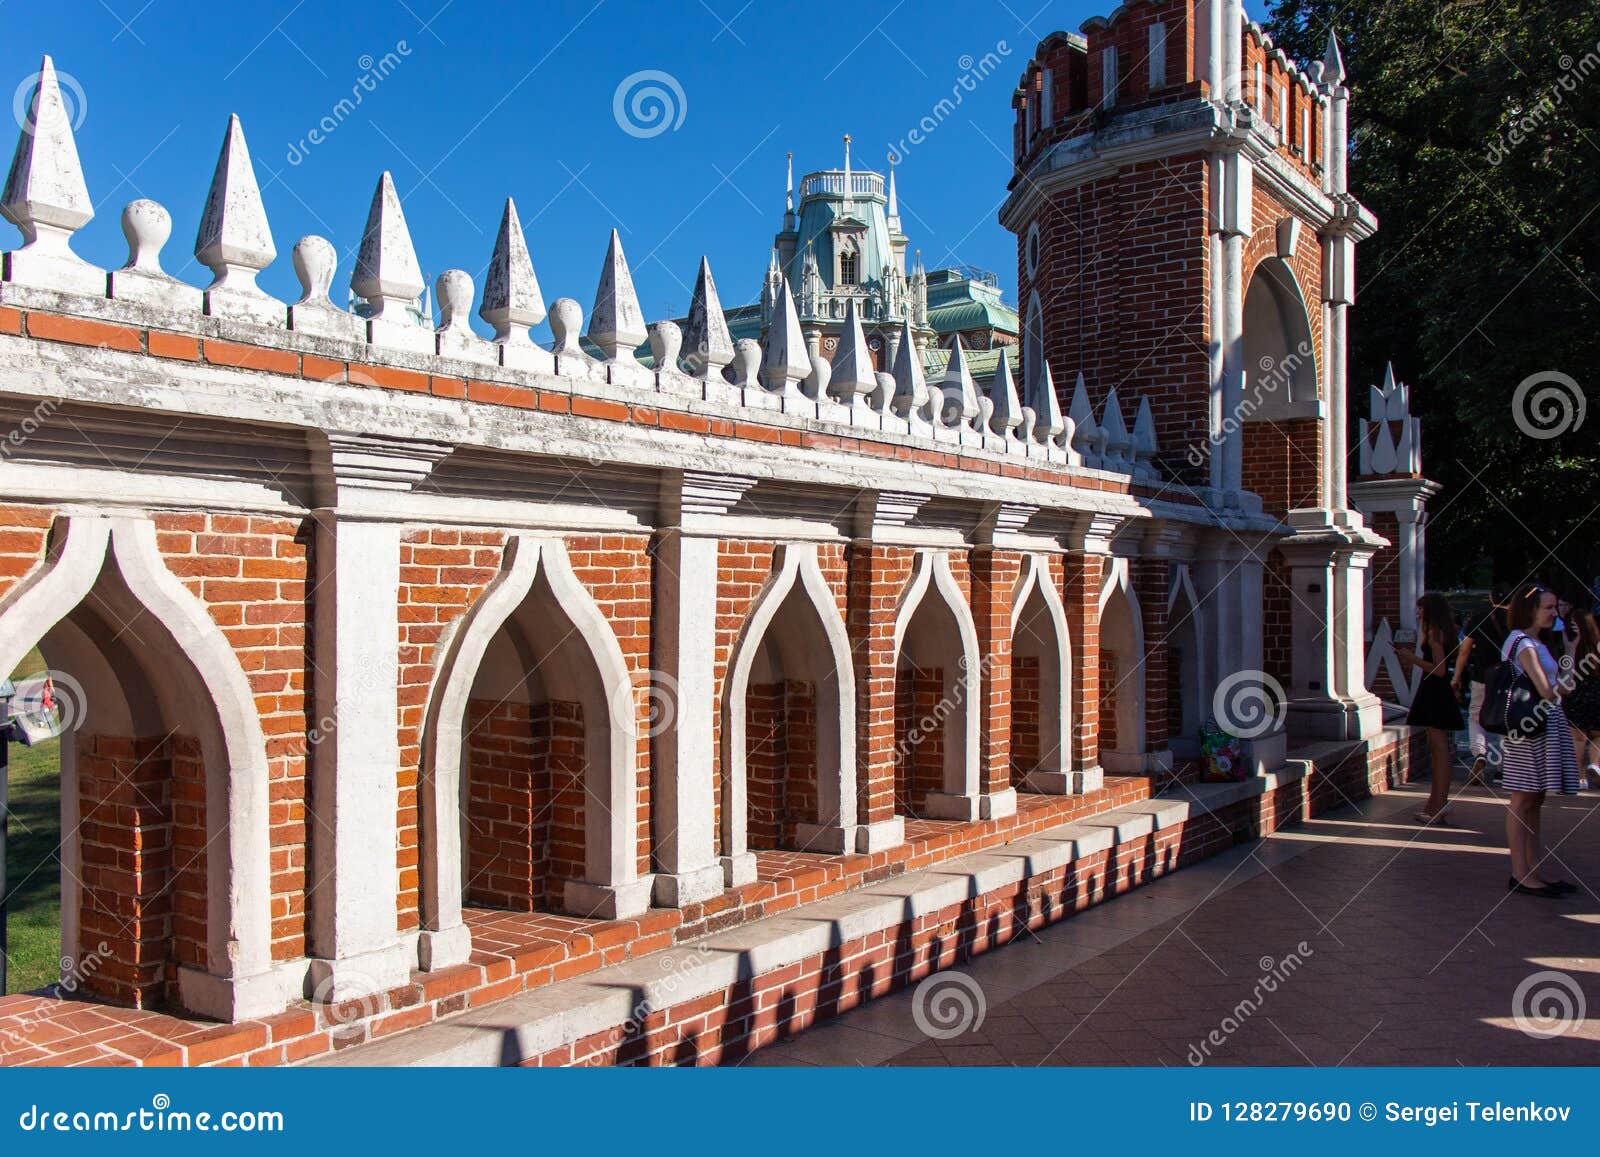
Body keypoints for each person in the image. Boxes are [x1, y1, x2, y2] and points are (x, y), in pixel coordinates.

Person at [1500, 584, 1579, 898]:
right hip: (1530, 727)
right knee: (1523, 798)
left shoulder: (1534, 643)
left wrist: (1571, 652)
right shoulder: (1523, 643)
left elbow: (1562, 685)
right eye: (1548, 607)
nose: (1554, 613)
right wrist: (1563, 682)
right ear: (1530, 608)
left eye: (1555, 607)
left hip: (1541, 725)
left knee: (1534, 799)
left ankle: (1531, 870)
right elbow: (1549, 691)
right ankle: (1521, 873)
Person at [1399, 592, 1466, 824]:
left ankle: (1439, 803)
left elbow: (1438, 668)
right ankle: (1436, 802)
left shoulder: (1434, 632)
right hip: (1436, 692)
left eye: (1421, 609)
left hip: (1434, 692)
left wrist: (1411, 658)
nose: (1417, 613)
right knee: (1438, 750)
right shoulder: (1444, 630)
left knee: (1439, 751)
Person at [1457, 590, 1508, 784]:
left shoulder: (1480, 618)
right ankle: (1502, 768)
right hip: (1506, 678)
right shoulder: (1516, 620)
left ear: (1491, 599)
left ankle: (1479, 753)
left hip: (1481, 675)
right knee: (1505, 721)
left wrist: (1457, 676)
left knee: (1476, 717)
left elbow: (1465, 650)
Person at [1560, 607, 1600, 789]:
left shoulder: (1569, 647)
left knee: (1578, 739)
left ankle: (1580, 777)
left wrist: (1570, 648)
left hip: (1576, 695)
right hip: (1597, 695)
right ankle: (1595, 764)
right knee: (1598, 736)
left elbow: (1564, 674)